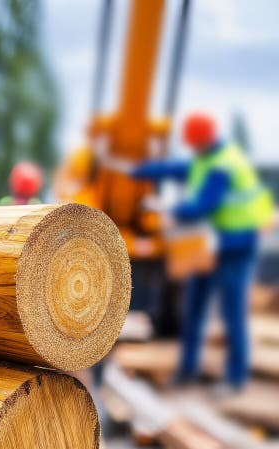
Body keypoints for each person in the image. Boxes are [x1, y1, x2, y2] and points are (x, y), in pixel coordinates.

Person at [132, 111, 273, 391]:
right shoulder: (205, 159)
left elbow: (204, 206)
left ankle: (234, 380)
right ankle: (187, 371)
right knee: (193, 308)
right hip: (211, 244)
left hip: (236, 245)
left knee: (233, 312)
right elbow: (176, 168)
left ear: (200, 139)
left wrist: (166, 209)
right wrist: (139, 170)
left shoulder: (223, 164)